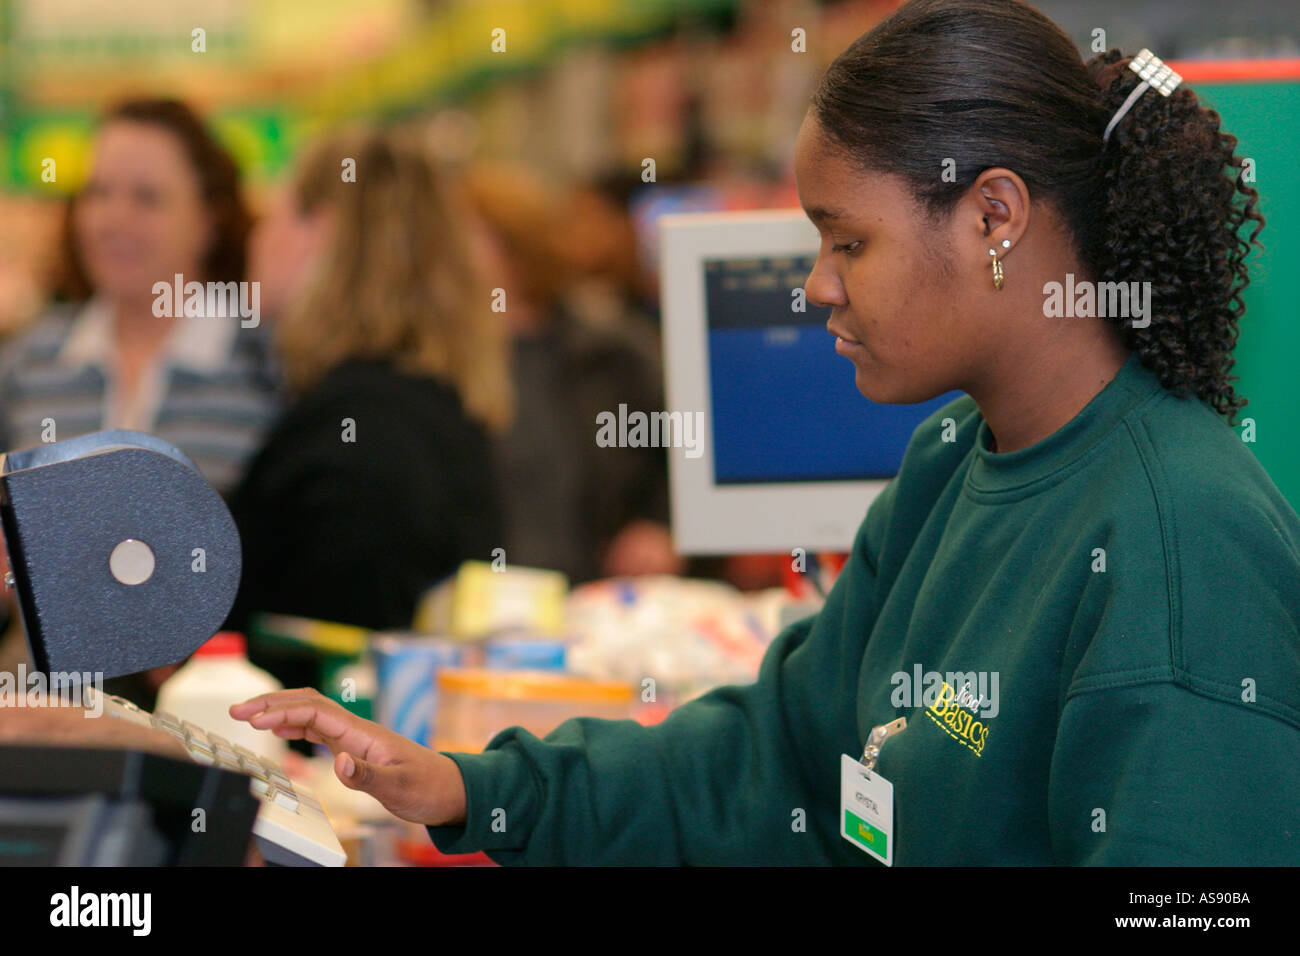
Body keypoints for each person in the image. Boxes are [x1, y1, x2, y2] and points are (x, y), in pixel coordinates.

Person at [229, 0, 1300, 865]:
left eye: (847, 239)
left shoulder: (1178, 540)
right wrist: (471, 784)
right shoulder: (948, 467)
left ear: (992, 218)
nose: (815, 285)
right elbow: (777, 756)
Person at [224, 129, 511, 654]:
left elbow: (337, 658)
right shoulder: (426, 402)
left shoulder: (355, 426)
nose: (257, 237)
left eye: (277, 215)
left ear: (323, 232)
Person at [0, 98, 282, 498]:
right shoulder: (29, 360)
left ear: (209, 218)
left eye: (147, 197)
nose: (113, 218)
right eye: (98, 192)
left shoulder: (265, 361)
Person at [461, 162, 681, 585]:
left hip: (601, 606)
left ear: (514, 248)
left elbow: (683, 445)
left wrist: (661, 526)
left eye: (466, 239)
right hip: (484, 612)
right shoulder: (436, 367)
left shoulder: (610, 351)